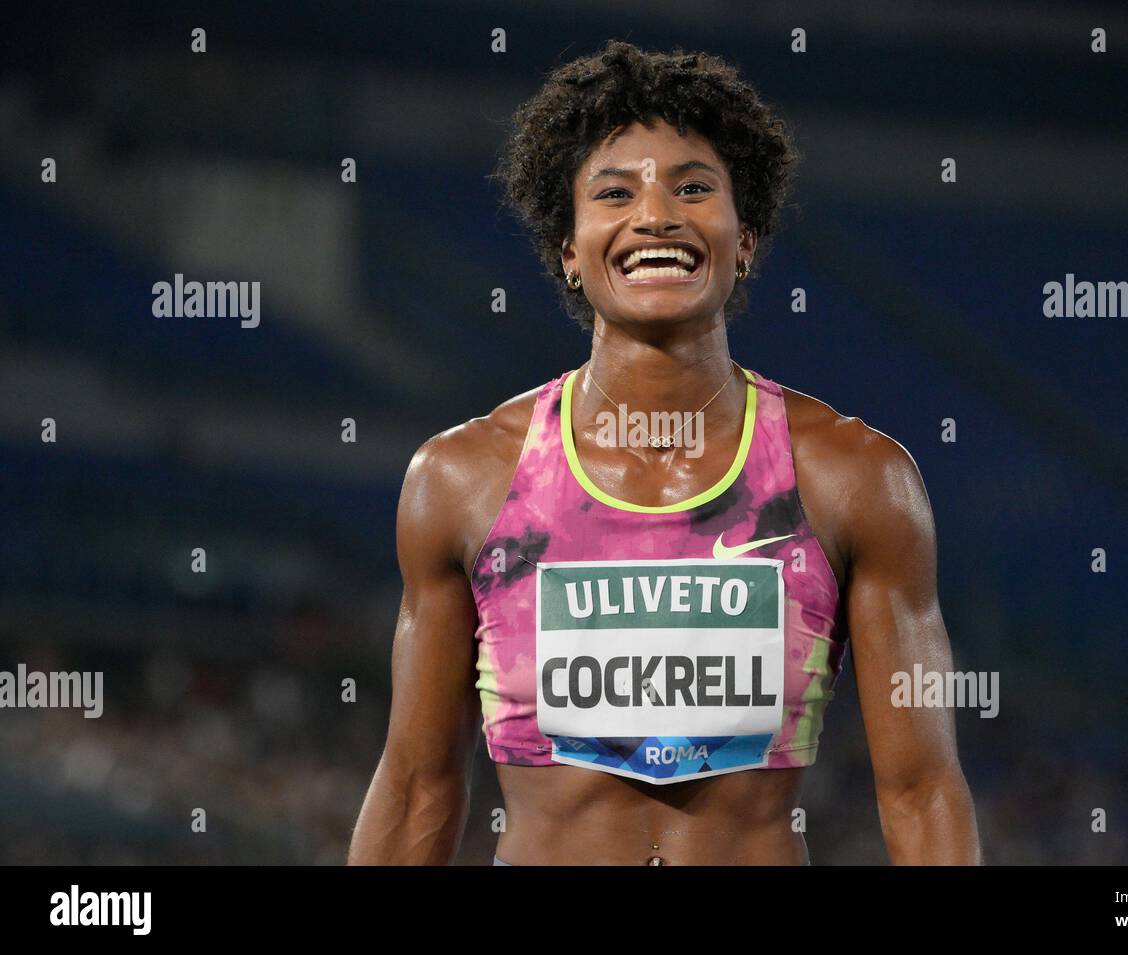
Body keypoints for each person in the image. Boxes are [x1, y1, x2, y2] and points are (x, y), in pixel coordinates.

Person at [348, 40, 980, 866]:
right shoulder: (462, 480)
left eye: (692, 187)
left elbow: (923, 789)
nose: (656, 215)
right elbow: (415, 786)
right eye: (614, 193)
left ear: (744, 234)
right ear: (568, 250)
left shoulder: (857, 478)